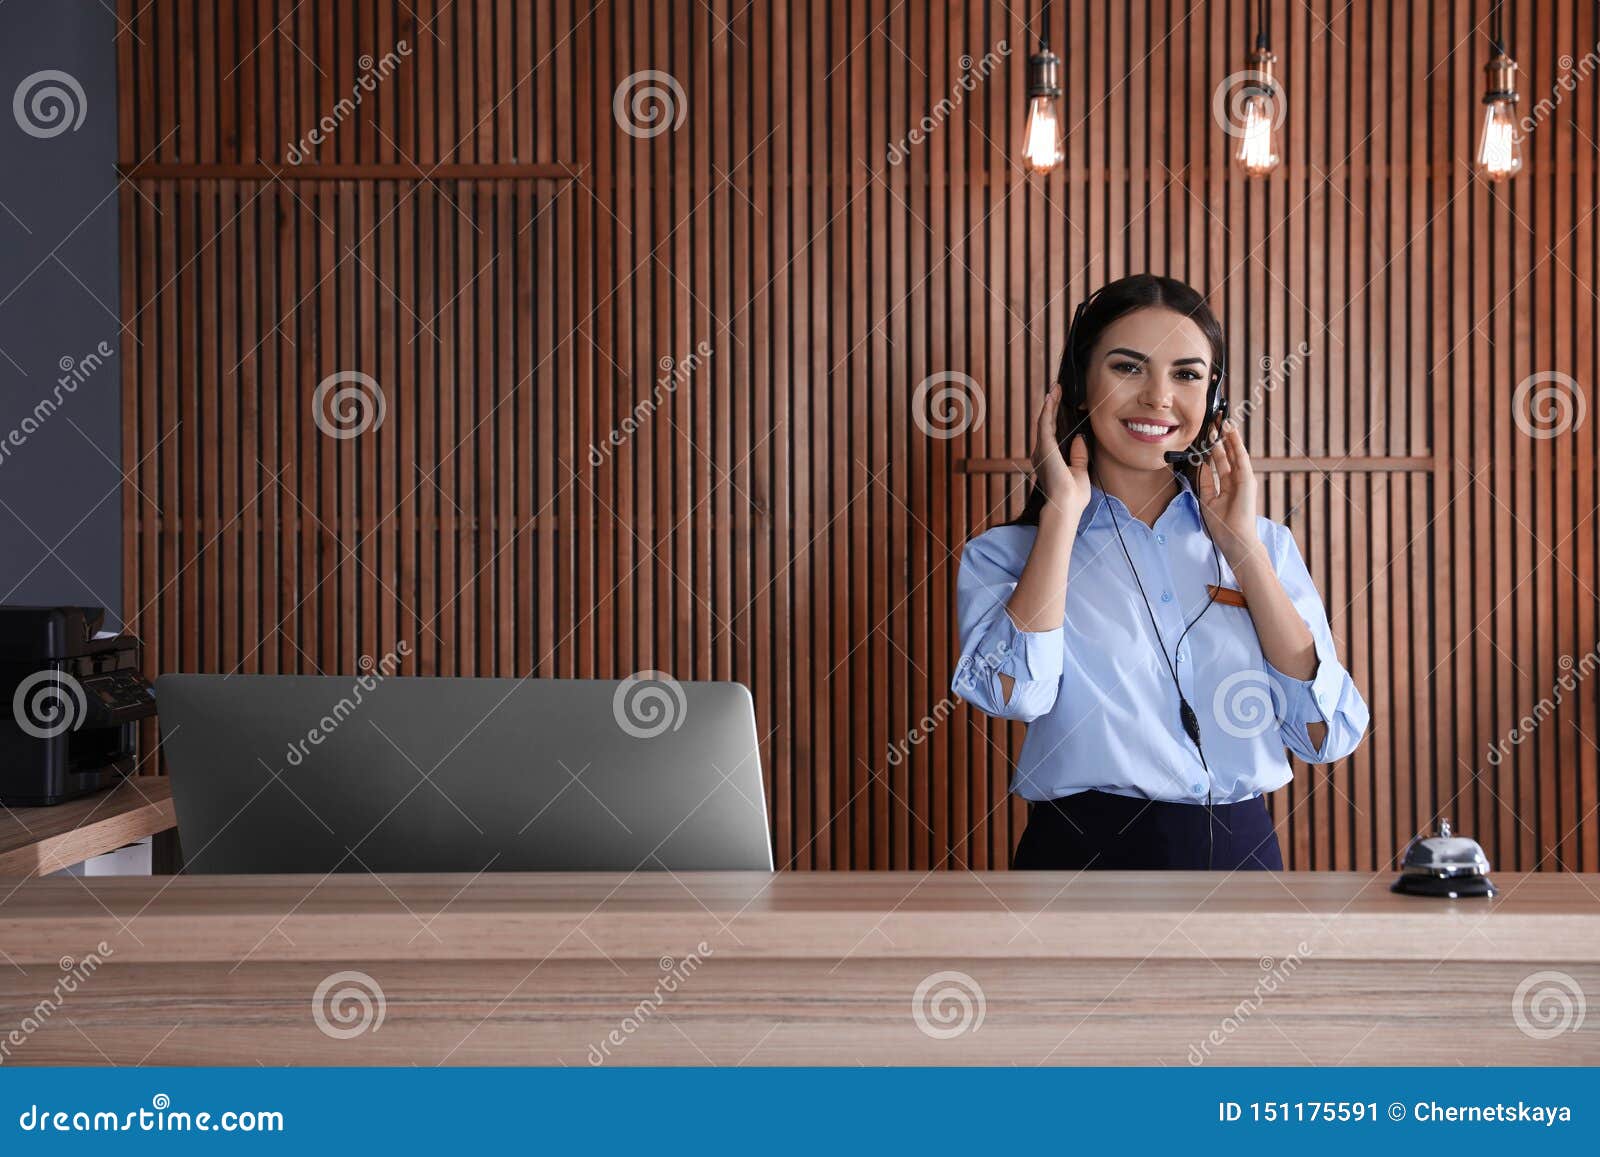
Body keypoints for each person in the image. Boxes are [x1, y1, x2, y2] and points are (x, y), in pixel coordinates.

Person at [952, 274, 1369, 870]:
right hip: (1079, 859)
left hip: (1241, 854)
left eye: (1187, 374)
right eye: (1128, 368)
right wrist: (1062, 517)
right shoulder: (1008, 555)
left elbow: (1324, 735)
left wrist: (1242, 549)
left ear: (1215, 398)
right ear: (1076, 386)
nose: (1158, 397)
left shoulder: (1266, 547)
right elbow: (1013, 695)